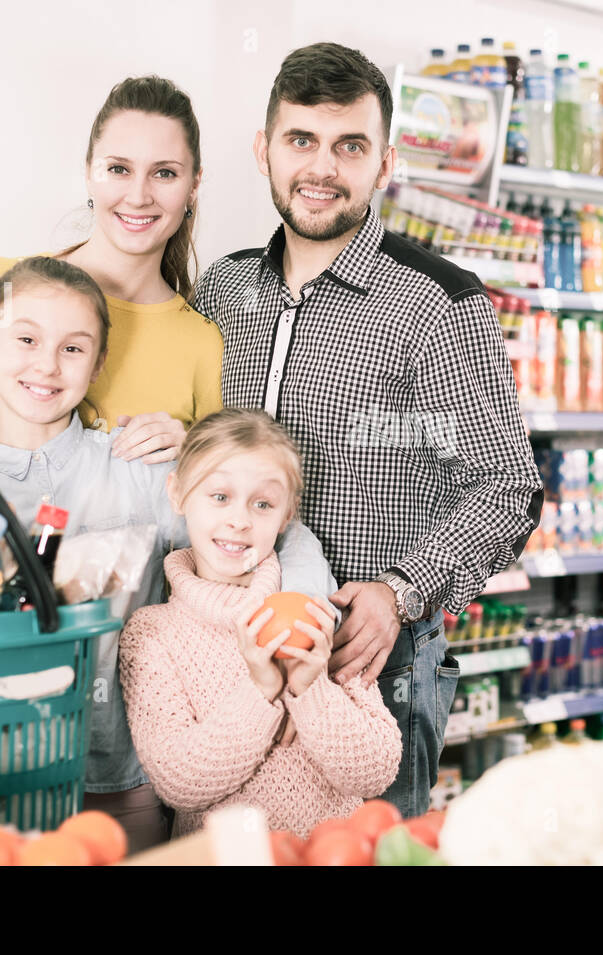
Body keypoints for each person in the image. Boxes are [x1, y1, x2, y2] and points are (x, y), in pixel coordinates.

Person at [192, 43, 543, 818]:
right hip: (229, 661)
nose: (323, 168)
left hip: (366, 667)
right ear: (264, 150)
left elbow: (509, 488)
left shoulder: (437, 303)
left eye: (349, 146)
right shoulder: (223, 288)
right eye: (301, 141)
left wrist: (401, 591)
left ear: (383, 163)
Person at [0, 255, 337, 851]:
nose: (46, 365)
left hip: (118, 782)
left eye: (73, 349)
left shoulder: (137, 469)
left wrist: (303, 614)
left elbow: (274, 527)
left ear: (99, 362)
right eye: (25, 338)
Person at [0, 75, 220, 466]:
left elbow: (216, 507)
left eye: (165, 173)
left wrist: (195, 457)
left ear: (194, 185)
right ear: (88, 173)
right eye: (118, 169)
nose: (138, 196)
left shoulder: (205, 346)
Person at [119, 408, 401, 839]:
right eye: (219, 497)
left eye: (263, 504)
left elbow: (376, 771)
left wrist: (311, 688)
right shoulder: (152, 633)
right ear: (177, 494)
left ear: (287, 515)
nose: (239, 520)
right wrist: (262, 690)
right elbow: (179, 783)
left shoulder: (314, 612)